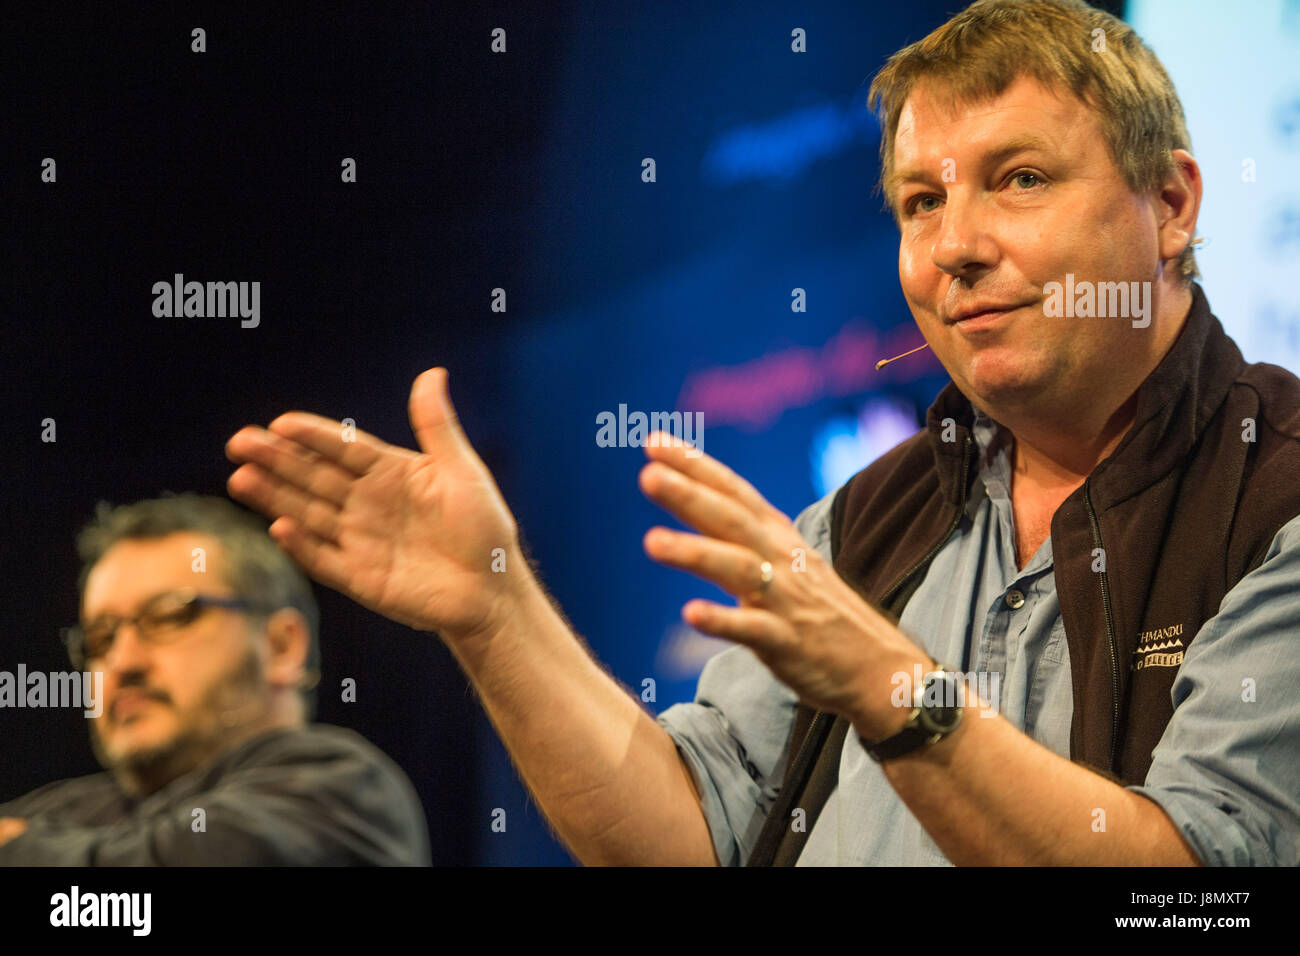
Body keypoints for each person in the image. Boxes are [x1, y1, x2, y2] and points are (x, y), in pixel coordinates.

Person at [223, 0, 1300, 866]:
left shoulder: (1278, 489)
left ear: (1169, 202)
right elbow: (689, 833)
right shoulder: (863, 522)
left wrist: (891, 687)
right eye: (920, 202)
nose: (955, 246)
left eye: (1019, 179)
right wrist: (494, 610)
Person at [0, 494, 430, 866]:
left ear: (281, 647)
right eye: (101, 637)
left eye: (168, 616)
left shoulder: (342, 790)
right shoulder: (64, 810)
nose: (123, 660)